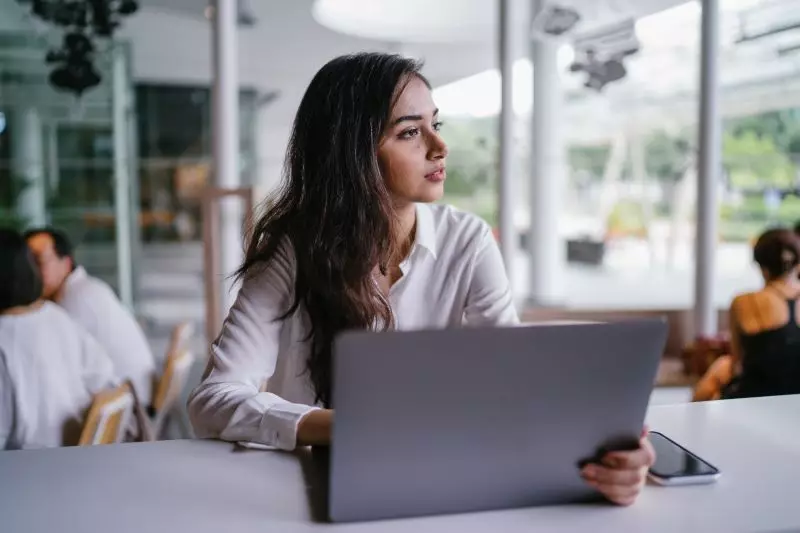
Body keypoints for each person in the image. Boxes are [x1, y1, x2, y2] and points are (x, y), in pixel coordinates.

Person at [188, 53, 654, 506]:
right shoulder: (294, 249)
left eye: (437, 124)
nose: (439, 146)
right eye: (410, 132)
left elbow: (517, 387)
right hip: (303, 491)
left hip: (443, 480)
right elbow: (214, 399)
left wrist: (612, 456)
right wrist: (349, 426)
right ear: (350, 153)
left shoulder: (468, 241)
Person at [0, 229, 116, 449]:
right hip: (74, 460)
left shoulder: (4, 337)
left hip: (28, 472)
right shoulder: (57, 316)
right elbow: (105, 379)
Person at [25, 228, 157, 403]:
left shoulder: (73, 301)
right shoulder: (86, 288)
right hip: (131, 399)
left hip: (129, 410)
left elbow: (56, 376)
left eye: (39, 260)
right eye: (26, 263)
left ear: (66, 261)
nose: (30, 271)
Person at [717, 228, 800, 399]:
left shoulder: (743, 302)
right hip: (794, 405)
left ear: (761, 266)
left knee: (715, 377)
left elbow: (736, 364)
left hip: (753, 401)